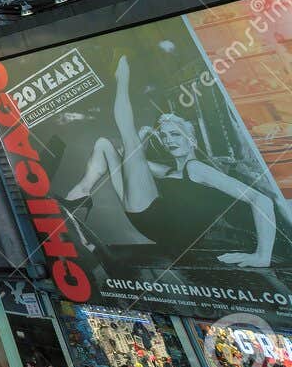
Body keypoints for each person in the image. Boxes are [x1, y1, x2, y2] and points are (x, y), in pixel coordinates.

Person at [64, 56, 288, 270]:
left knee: (127, 131)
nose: (169, 140)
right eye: (164, 136)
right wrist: (143, 138)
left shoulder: (197, 168)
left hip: (160, 223)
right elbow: (128, 162)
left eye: (176, 134)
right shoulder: (171, 170)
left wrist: (262, 256)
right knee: (104, 144)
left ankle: (122, 75)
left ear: (192, 140)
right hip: (151, 221)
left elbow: (261, 199)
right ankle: (80, 195)